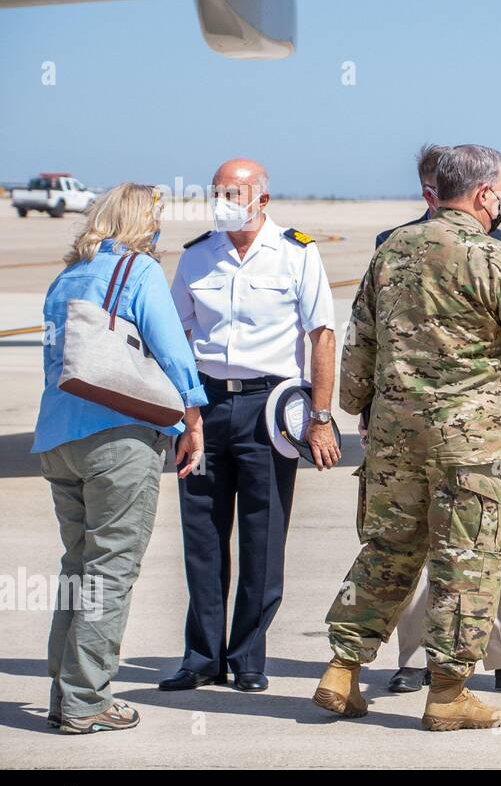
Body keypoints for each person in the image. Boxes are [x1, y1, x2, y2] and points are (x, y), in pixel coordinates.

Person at [316, 144, 501, 731]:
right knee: (466, 562)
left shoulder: (391, 251)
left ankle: (342, 669)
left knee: (388, 551)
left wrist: (360, 406)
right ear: (486, 194)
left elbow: (359, 341)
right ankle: (448, 693)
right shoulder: (497, 260)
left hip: (393, 439)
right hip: (470, 445)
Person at [366, 144, 501, 694]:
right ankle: (419, 659)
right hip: (451, 429)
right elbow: (375, 338)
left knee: (487, 544)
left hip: (469, 428)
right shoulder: (393, 246)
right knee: (414, 546)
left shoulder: (499, 247)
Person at [162, 158, 339, 694]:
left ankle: (247, 655)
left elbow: (322, 336)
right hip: (206, 406)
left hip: (270, 408)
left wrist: (320, 418)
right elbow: (177, 340)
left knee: (264, 535)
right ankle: (201, 656)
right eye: (217, 193)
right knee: (202, 535)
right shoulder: (197, 257)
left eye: (235, 193)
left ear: (263, 199)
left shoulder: (297, 252)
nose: (224, 202)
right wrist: (185, 414)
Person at [35, 183, 207, 733]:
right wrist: (192, 416)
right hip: (116, 438)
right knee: (110, 571)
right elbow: (174, 350)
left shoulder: (66, 277)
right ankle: (87, 703)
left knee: (77, 568)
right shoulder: (138, 270)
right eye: (156, 219)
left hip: (58, 440)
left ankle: (65, 695)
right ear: (141, 224)